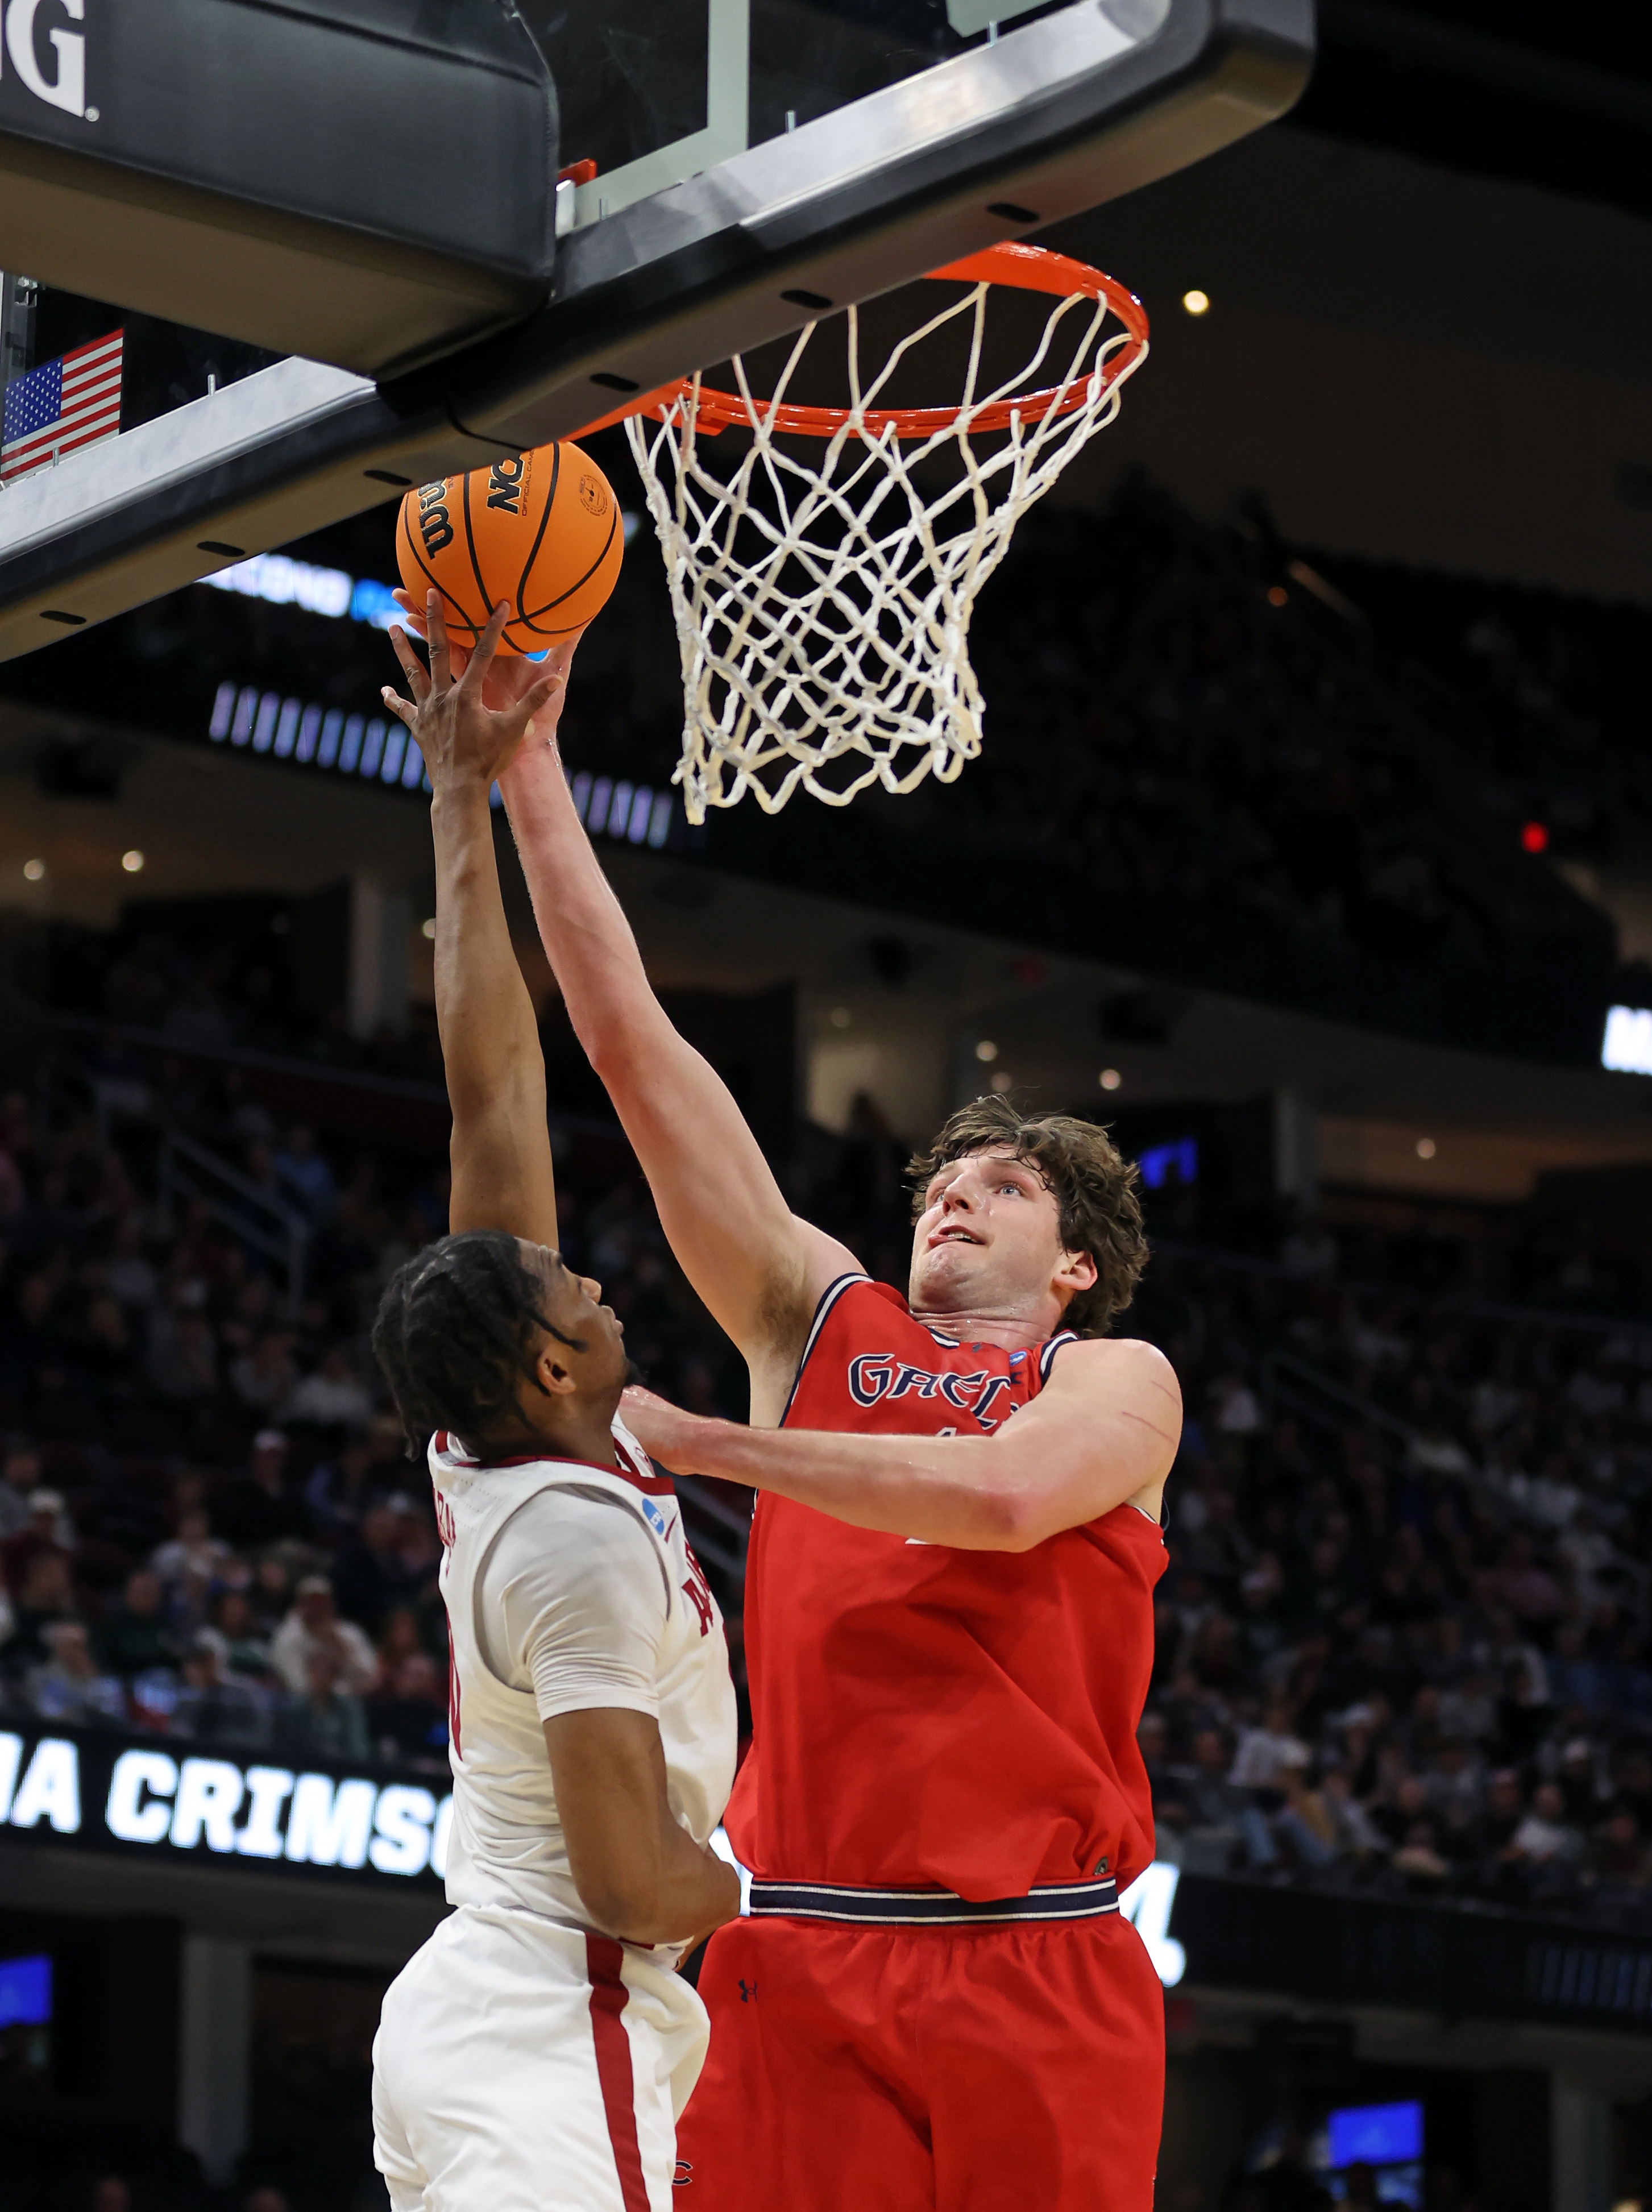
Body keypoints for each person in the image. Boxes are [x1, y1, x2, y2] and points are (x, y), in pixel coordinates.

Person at [474, 600, 1181, 2209]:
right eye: (943, 1181)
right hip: (797, 1943)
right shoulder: (817, 1318)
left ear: (1076, 1264)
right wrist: (529, 768)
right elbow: (633, 1048)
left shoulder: (1108, 1380)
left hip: (1034, 1960)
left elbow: (1001, 1499)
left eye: (1005, 1188)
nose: (955, 1196)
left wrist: (706, 1442)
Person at [367, 598, 740, 2212]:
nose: (592, 1281)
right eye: (569, 1290)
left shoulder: (498, 1442)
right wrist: (767, 1881)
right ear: (548, 1366)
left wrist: (462, 795)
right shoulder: (574, 1544)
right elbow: (632, 1886)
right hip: (549, 2023)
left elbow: (491, 1090)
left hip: (494, 2018)